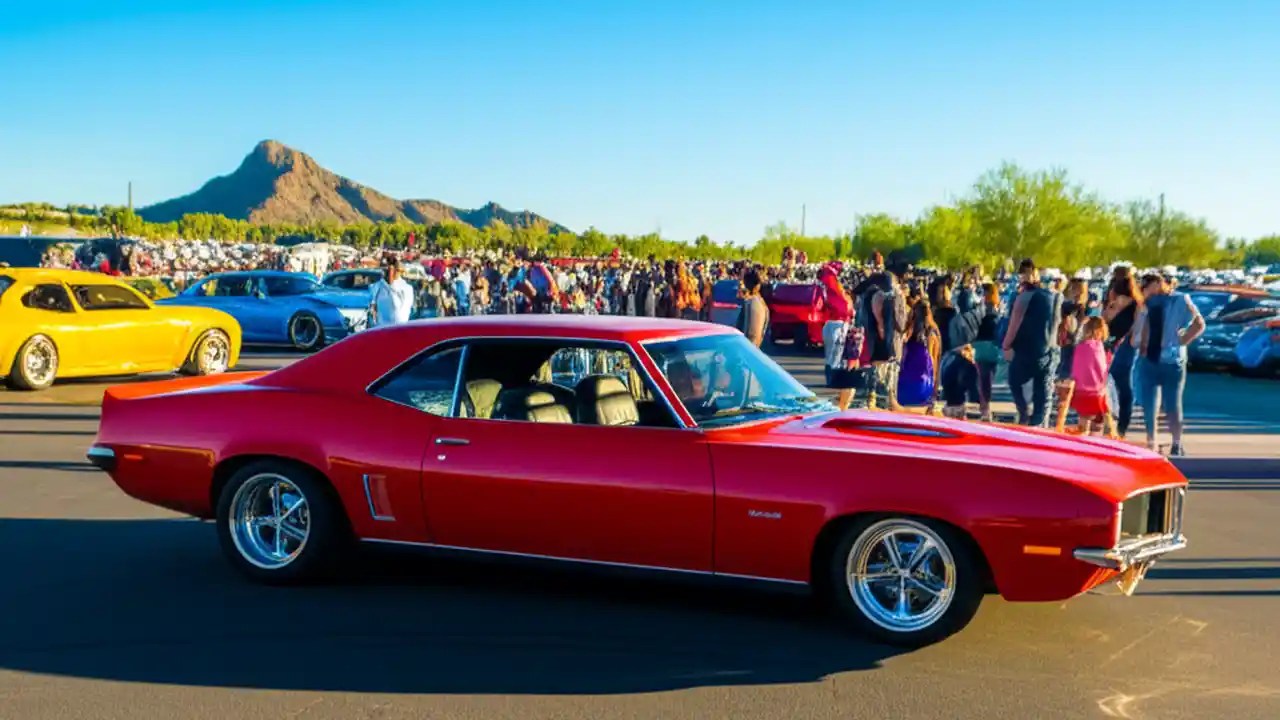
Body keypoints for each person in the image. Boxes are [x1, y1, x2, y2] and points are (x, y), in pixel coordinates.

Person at [1132, 272, 1205, 455]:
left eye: (1148, 284)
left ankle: (1176, 442)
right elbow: (1138, 328)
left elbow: (1199, 323)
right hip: (1148, 356)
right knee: (1149, 403)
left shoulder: (1180, 300)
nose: (1145, 289)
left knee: (1172, 403)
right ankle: (1152, 441)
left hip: (1172, 359)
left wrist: (1183, 340)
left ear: (1160, 283)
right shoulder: (1144, 303)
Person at [1002, 259, 1063, 427]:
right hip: (1047, 350)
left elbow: (1014, 324)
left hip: (1026, 350)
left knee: (1014, 380)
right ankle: (1037, 424)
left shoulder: (1024, 297)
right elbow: (1057, 323)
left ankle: (1024, 414)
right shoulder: (1052, 296)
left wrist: (1006, 345)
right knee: (1041, 391)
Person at [1103, 266, 1142, 439]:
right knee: (1124, 385)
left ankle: (1111, 424)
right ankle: (1121, 427)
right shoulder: (1136, 302)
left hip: (1113, 344)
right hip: (1126, 345)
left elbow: (1104, 320)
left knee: (1110, 384)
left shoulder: (1115, 299)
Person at [818, 263, 859, 410]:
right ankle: (835, 381)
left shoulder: (826, 290)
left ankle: (832, 378)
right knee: (836, 356)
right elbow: (848, 311)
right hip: (838, 325)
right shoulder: (837, 293)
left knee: (831, 356)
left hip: (830, 324)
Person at [1070, 316, 1116, 437]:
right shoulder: (1098, 347)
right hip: (1096, 392)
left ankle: (1082, 442)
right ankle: (1094, 441)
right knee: (1097, 422)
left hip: (1080, 391)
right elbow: (1102, 370)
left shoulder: (1080, 347)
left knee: (1083, 420)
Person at [972, 282, 1003, 422]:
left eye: (985, 292)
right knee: (985, 377)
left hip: (989, 343)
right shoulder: (986, 308)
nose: (983, 295)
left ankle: (985, 406)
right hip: (985, 343)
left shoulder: (990, 308)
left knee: (986, 377)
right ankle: (985, 406)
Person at [369, 258, 415, 328]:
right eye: (386, 269)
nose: (388, 272)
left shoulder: (407, 288)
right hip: (381, 331)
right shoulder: (377, 287)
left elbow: (403, 310)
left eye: (392, 270)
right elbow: (372, 310)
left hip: (400, 330)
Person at [737, 269, 769, 347]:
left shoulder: (751, 303)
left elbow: (747, 329)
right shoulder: (761, 303)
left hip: (748, 347)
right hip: (754, 348)